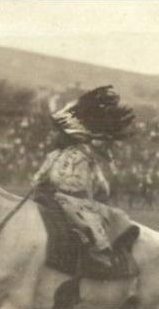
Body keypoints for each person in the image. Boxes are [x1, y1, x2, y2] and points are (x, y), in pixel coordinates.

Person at [31, 86, 135, 266]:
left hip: (74, 205)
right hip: (61, 202)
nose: (57, 136)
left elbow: (38, 179)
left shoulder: (70, 156)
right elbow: (103, 189)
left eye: (60, 134)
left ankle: (101, 258)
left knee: (91, 231)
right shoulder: (82, 156)